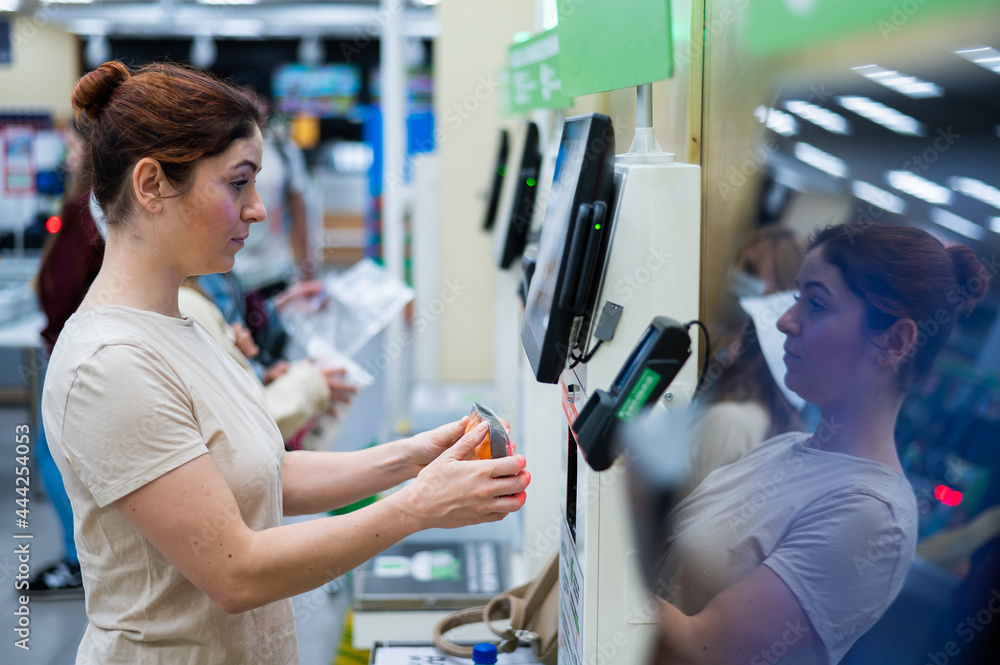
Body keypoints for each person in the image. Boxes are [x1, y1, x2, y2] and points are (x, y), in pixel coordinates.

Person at [42, 61, 530, 664]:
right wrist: (417, 507)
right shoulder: (109, 365)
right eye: (237, 184)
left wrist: (413, 458)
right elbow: (236, 572)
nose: (258, 211)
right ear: (151, 186)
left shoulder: (188, 325)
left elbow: (262, 473)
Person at [653, 222, 989, 664]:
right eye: (797, 299)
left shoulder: (871, 515)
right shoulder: (787, 447)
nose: (786, 321)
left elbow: (704, 648)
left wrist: (609, 530)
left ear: (895, 340)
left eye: (815, 303)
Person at [28, 125, 104, 596]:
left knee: (52, 455)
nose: (67, 158)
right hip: (90, 349)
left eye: (74, 149)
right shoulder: (104, 211)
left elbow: (57, 292)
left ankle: (78, 560)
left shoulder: (82, 212)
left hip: (70, 352)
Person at [688, 226, 806, 490]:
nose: (736, 277)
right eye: (738, 264)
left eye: (751, 271)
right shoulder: (718, 340)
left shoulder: (734, 420)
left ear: (784, 292)